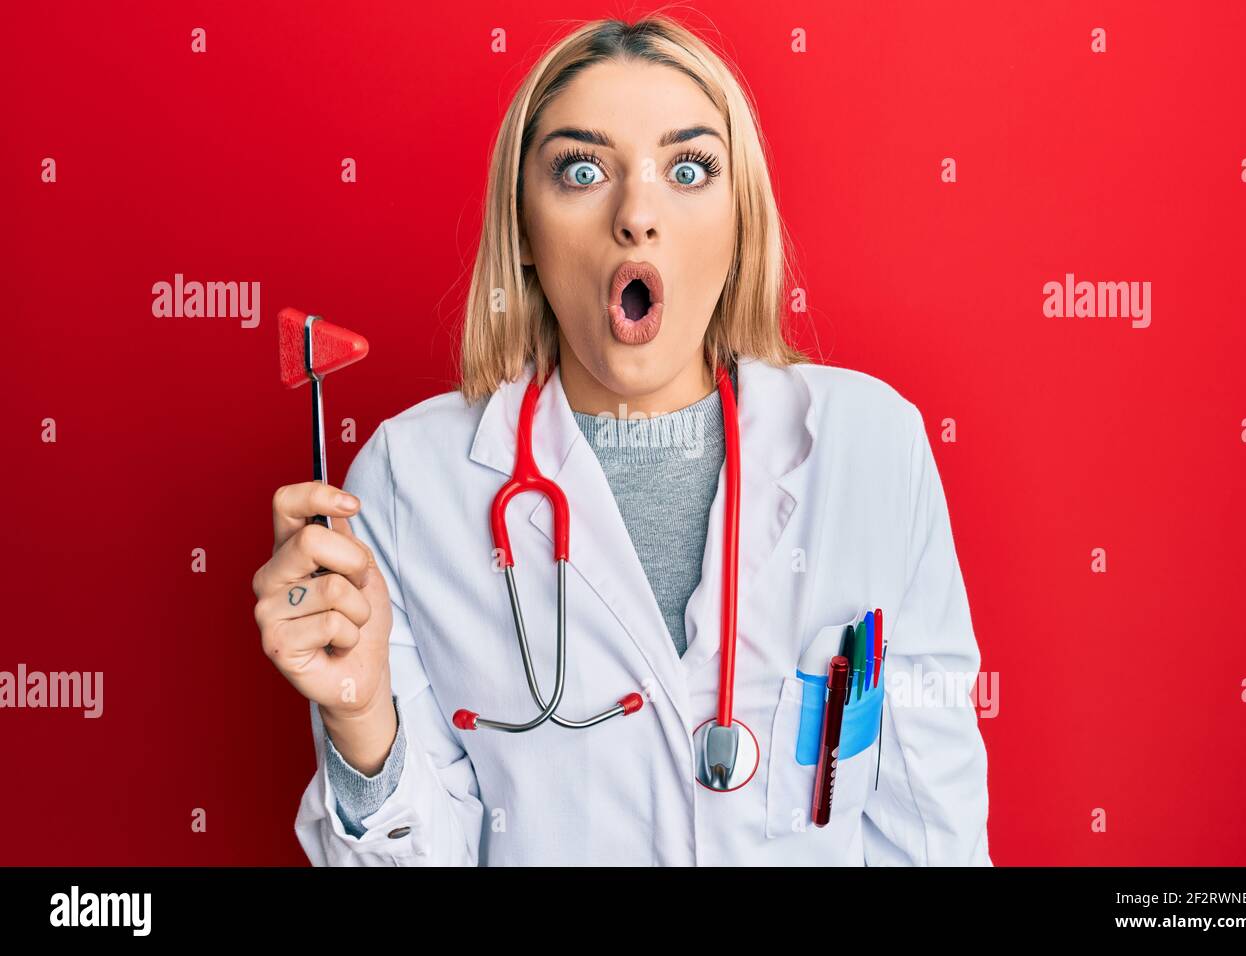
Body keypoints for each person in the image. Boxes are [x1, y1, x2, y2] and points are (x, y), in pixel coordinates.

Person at [251, 14, 992, 866]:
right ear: (524, 234)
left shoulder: (872, 448)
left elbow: (934, 834)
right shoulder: (404, 481)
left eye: (687, 169)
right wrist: (358, 720)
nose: (637, 215)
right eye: (581, 170)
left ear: (740, 221)